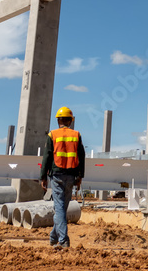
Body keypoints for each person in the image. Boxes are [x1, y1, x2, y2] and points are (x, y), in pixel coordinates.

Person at [40, 106, 85, 249]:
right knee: (62, 208)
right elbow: (81, 157)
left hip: (57, 175)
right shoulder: (76, 135)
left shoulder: (53, 135)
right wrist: (80, 176)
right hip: (71, 175)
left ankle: (63, 240)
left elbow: (47, 157)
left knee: (59, 208)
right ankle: (54, 237)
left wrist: (43, 177)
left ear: (58, 120)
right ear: (70, 121)